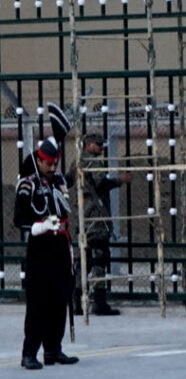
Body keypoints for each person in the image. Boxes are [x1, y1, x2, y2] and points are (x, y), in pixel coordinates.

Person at [15, 138, 78, 369]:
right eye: (48, 164)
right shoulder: (28, 184)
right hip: (40, 246)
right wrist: (39, 226)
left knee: (60, 297)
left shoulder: (58, 180)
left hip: (61, 243)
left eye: (55, 164)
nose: (52, 169)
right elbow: (19, 218)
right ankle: (29, 352)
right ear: (39, 160)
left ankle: (53, 349)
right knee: (38, 300)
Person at [73, 132, 125, 316]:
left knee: (81, 262)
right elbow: (101, 184)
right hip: (96, 218)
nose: (101, 148)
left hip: (82, 217)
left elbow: (69, 180)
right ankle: (99, 302)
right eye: (98, 144)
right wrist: (119, 181)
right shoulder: (93, 163)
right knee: (99, 260)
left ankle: (76, 302)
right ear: (88, 144)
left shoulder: (77, 162)